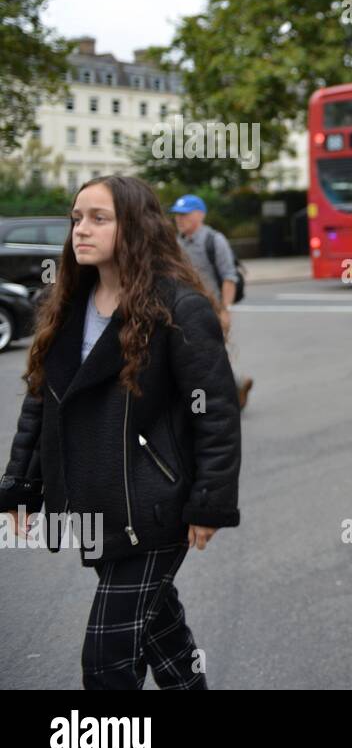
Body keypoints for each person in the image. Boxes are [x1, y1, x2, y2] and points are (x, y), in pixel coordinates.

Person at [1, 175, 241, 689]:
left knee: (107, 662)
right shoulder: (65, 304)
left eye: (98, 218)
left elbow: (216, 412)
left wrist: (210, 502)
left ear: (133, 226)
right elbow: (41, 405)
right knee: (162, 633)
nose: (80, 230)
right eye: (76, 218)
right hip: (95, 505)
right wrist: (20, 488)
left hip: (154, 507)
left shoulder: (179, 308)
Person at [171, 194, 254, 410]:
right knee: (200, 353)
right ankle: (233, 385)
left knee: (210, 352)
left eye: (184, 215)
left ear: (200, 215)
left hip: (212, 309)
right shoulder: (176, 242)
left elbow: (229, 277)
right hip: (185, 309)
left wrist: (225, 310)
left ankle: (220, 396)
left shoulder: (214, 240)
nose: (179, 219)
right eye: (177, 215)